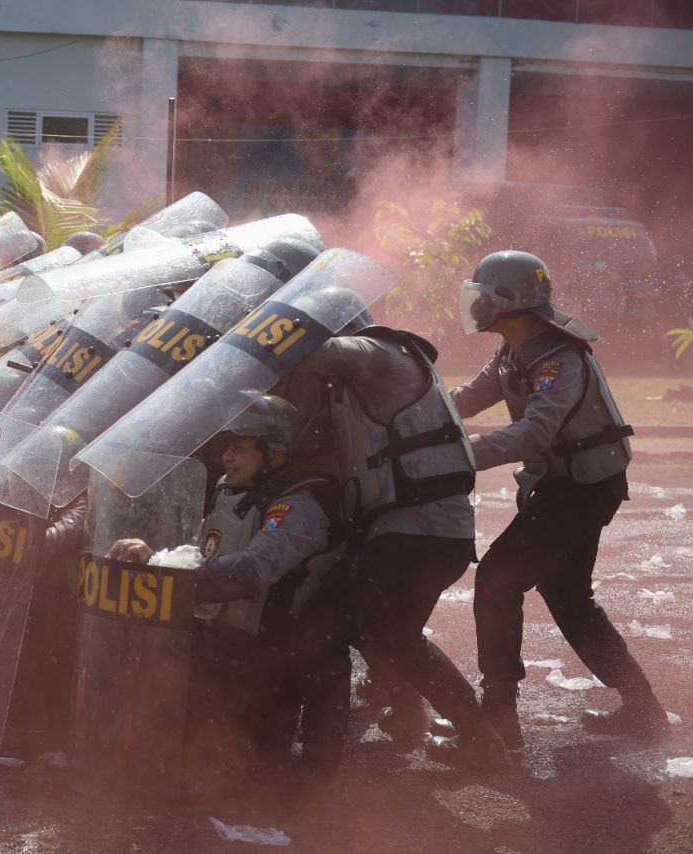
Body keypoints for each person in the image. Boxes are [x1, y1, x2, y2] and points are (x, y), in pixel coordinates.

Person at [450, 250, 667, 748]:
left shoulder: (557, 357)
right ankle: (644, 710)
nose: (476, 305)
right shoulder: (514, 350)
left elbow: (534, 432)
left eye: (484, 296)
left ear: (509, 301)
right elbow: (466, 399)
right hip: (565, 484)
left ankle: (499, 718)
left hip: (583, 488)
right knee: (567, 594)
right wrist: (412, 415)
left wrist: (454, 455)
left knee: (499, 578)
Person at [281, 299, 508, 773]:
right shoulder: (356, 386)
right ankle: (474, 740)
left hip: (415, 532)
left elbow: (315, 352)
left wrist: (255, 330)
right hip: (426, 534)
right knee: (394, 638)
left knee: (320, 620)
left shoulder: (379, 352)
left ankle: (319, 759)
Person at [110, 396, 340, 772]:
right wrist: (152, 554)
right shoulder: (228, 491)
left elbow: (251, 570)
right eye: (227, 447)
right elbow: (206, 553)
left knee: (172, 652)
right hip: (228, 644)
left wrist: (165, 569)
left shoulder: (296, 506)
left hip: (268, 661)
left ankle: (198, 761)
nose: (227, 458)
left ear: (274, 454)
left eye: (239, 449)